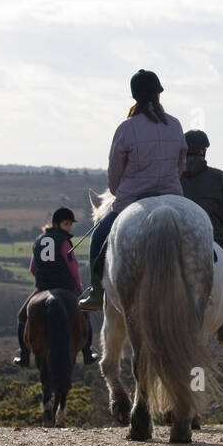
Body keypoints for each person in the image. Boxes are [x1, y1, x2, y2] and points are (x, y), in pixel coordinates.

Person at [78, 69, 187, 311]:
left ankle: (96, 292)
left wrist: (119, 193)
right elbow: (181, 164)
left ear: (135, 97)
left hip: (132, 199)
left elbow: (114, 171)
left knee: (98, 237)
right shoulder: (176, 124)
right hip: (171, 195)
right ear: (159, 94)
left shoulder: (126, 128)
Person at [13, 207, 98, 366]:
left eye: (70, 224)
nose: (69, 227)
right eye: (66, 224)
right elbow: (73, 268)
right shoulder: (65, 242)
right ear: (57, 224)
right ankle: (87, 352)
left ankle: (24, 355)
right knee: (85, 313)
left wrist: (44, 281)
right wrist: (79, 288)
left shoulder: (39, 240)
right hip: (66, 288)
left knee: (22, 317)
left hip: (42, 288)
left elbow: (32, 268)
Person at [179, 129, 223, 341]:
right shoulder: (219, 177)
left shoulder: (172, 177)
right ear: (204, 150)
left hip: (175, 239)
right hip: (210, 238)